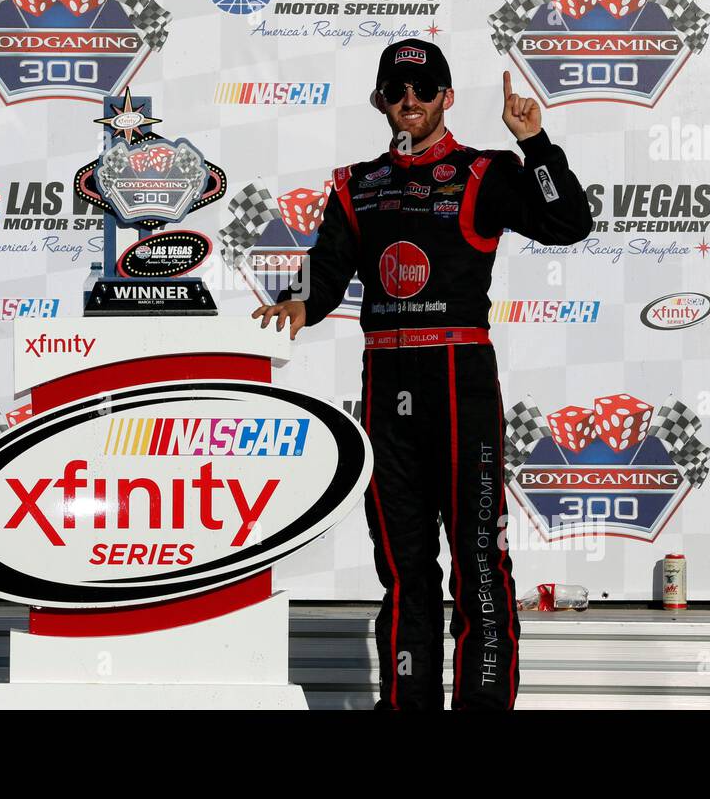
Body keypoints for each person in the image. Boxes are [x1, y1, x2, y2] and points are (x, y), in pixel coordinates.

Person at [252, 39, 593, 710]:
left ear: (447, 97)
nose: (411, 101)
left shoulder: (483, 172)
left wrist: (537, 144)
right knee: (406, 572)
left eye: (424, 89)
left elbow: (568, 222)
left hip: (461, 385)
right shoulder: (357, 185)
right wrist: (298, 302)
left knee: (479, 568)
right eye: (398, 89)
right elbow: (322, 273)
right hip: (386, 389)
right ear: (381, 98)